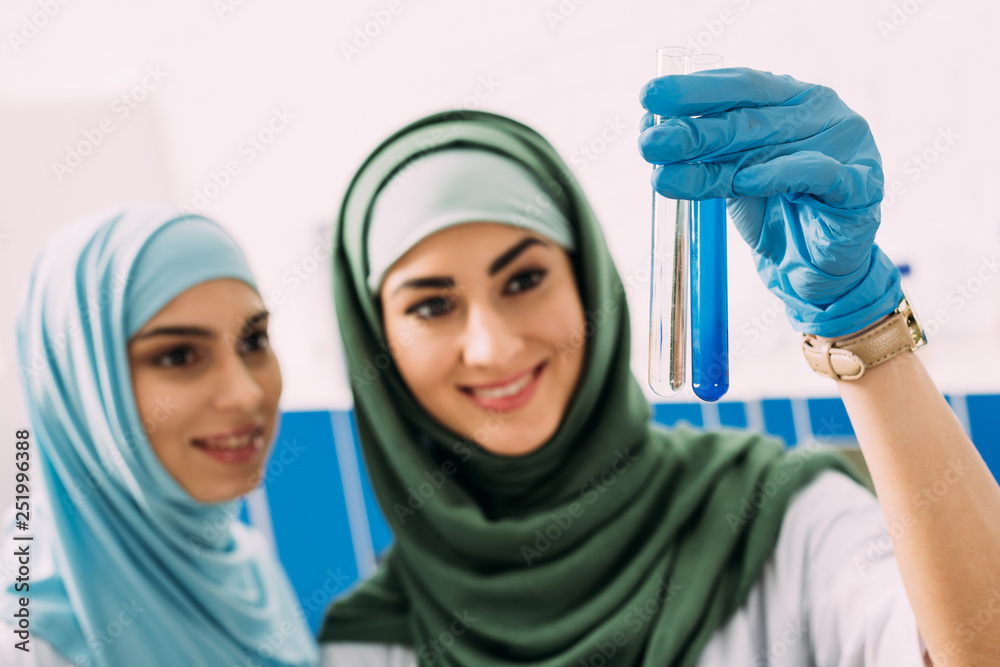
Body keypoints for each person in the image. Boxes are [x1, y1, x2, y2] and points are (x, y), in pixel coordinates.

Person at [317, 72, 1000, 664]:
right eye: (432, 305)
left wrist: (858, 320)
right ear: (372, 338)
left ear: (588, 281)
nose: (492, 347)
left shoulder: (779, 520)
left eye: (524, 280)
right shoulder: (374, 638)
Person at [0, 206, 319, 666]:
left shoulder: (245, 560)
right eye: (177, 356)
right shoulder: (27, 641)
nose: (245, 394)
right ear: (84, 387)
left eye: (253, 342)